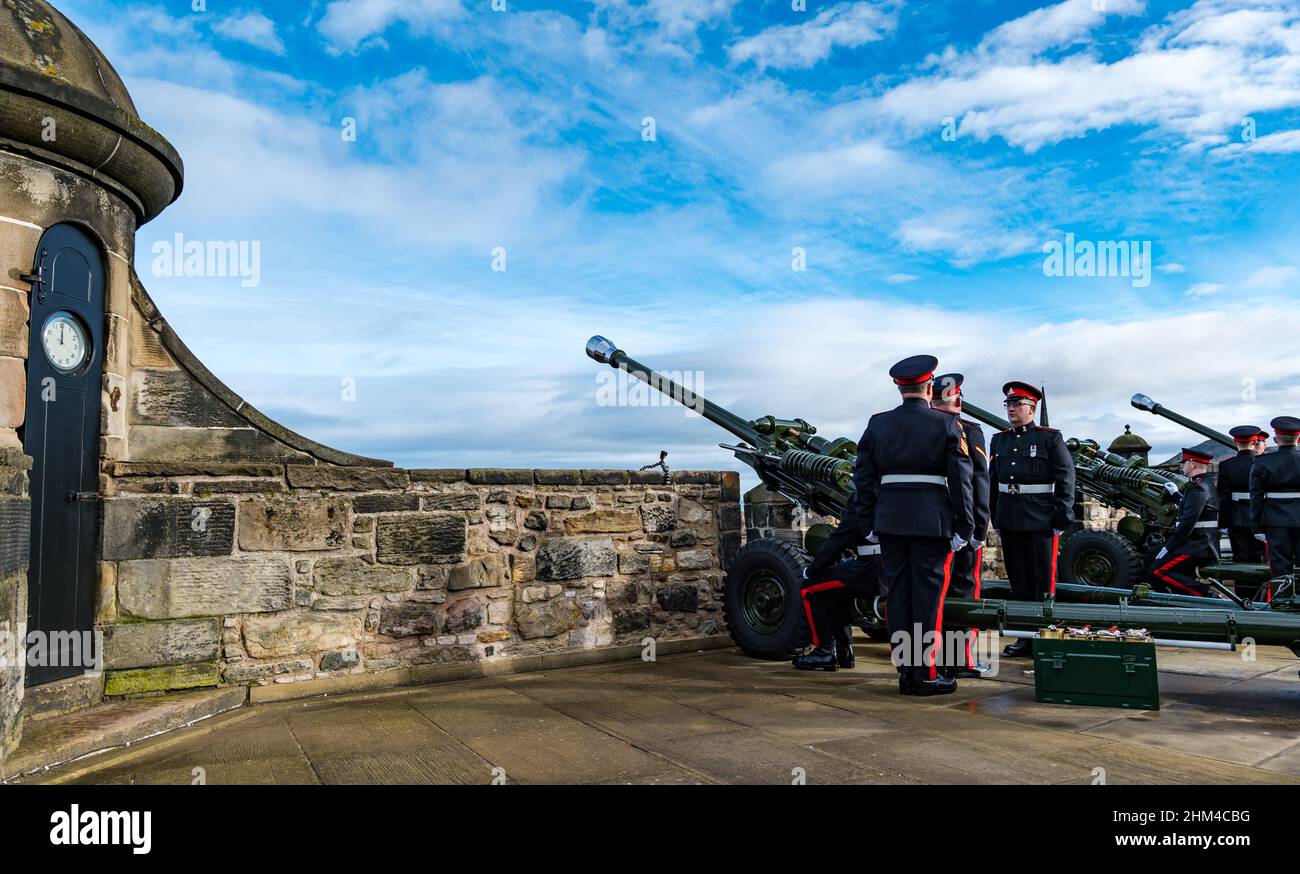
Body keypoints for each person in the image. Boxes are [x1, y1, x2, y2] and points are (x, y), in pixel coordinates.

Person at [853, 355, 974, 696]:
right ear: (928, 386)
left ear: (899, 386)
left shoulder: (878, 424)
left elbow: (863, 478)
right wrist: (964, 527)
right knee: (927, 600)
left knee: (899, 596)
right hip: (931, 522)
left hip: (890, 520)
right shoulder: (947, 424)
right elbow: (961, 481)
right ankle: (926, 673)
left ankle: (905, 671)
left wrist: (868, 521)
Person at [988, 382, 1076, 658]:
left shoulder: (1050, 439)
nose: (1012, 409)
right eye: (1009, 405)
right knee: (1019, 583)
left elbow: (1065, 478)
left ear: (1032, 408)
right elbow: (993, 483)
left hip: (1041, 521)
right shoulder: (999, 440)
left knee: (1042, 584)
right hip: (1011, 520)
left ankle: (1044, 636)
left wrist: (1062, 517)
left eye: (1017, 405)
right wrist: (996, 516)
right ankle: (1025, 637)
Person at [930, 373, 991, 677]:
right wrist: (978, 527)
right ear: (958, 400)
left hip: (933, 524)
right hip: (957, 524)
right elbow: (978, 480)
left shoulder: (923, 428)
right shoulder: (967, 430)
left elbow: (978, 479)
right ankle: (956, 660)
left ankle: (934, 660)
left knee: (937, 592)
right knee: (963, 589)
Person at [793, 489, 880, 672]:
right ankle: (844, 651)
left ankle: (824, 651)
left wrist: (812, 570)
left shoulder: (864, 498)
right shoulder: (893, 494)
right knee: (834, 592)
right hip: (892, 566)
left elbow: (839, 540)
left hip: (870, 569)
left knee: (809, 588)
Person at [1148, 448, 1220, 596]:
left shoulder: (1199, 487)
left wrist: (1169, 547)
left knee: (1158, 570)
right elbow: (1193, 508)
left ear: (1192, 464)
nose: (1182, 466)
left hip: (1200, 545)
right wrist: (1176, 494)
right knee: (1151, 555)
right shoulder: (1202, 484)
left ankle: (1207, 595)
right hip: (1198, 542)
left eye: (1184, 462)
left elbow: (1188, 521)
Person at [1251, 416, 1300, 595]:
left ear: (1275, 439)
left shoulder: (1262, 462)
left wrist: (1256, 526)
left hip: (1275, 522)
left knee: (1280, 569)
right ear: (1299, 438)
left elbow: (1256, 498)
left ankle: (1281, 603)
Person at [1216, 425, 1265, 573]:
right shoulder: (1263, 462)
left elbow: (1223, 497)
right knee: (1261, 560)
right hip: (1261, 518)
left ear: (1234, 441)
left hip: (1236, 518)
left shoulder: (1226, 465)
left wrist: (1223, 522)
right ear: (1255, 441)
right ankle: (1261, 595)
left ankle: (1243, 594)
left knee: (1240, 560)